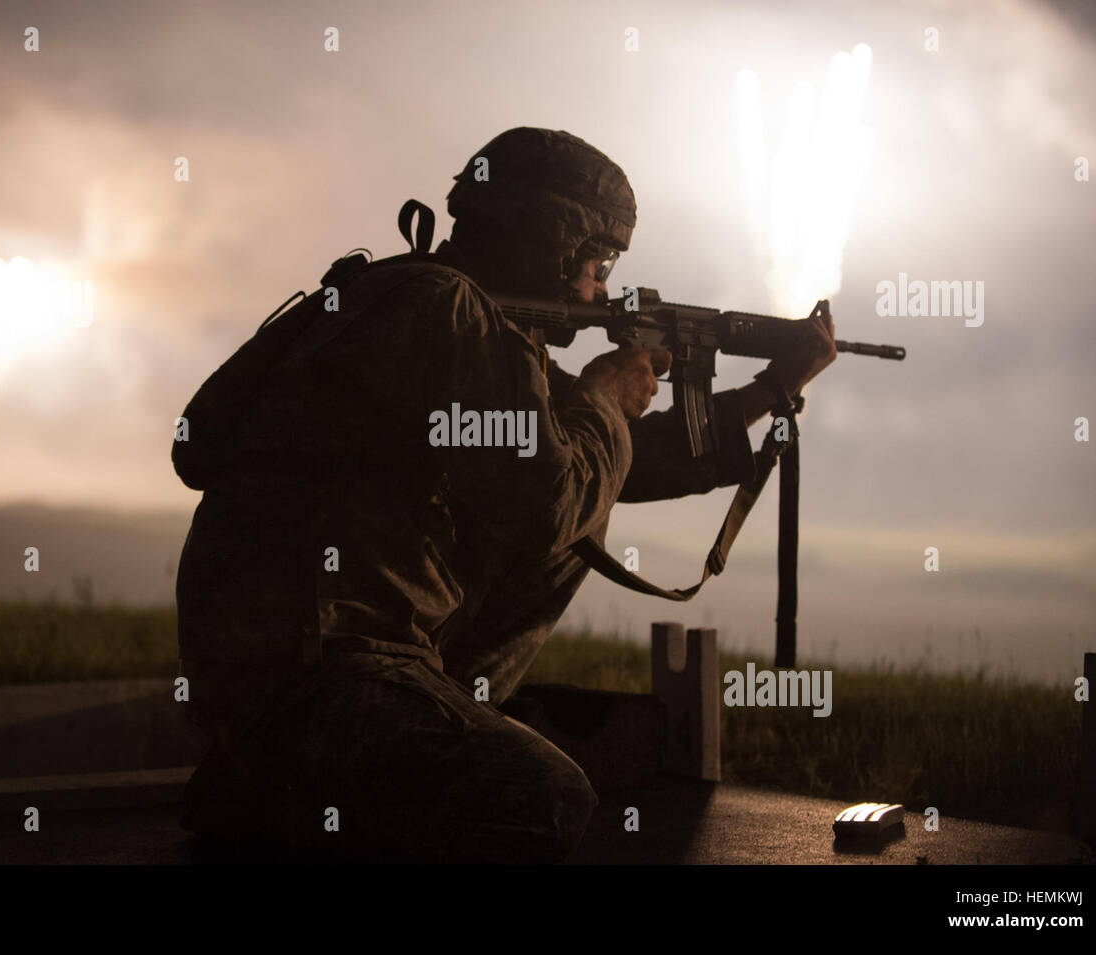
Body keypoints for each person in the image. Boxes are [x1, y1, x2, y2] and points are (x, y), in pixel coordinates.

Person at [172, 127, 835, 863]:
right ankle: (301, 787)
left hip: (285, 668)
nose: (602, 289)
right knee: (546, 798)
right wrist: (602, 398)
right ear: (552, 239)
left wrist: (770, 391)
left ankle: (299, 778)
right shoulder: (448, 318)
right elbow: (553, 499)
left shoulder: (420, 300)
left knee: (587, 505)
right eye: (598, 261)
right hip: (318, 676)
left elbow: (607, 466)